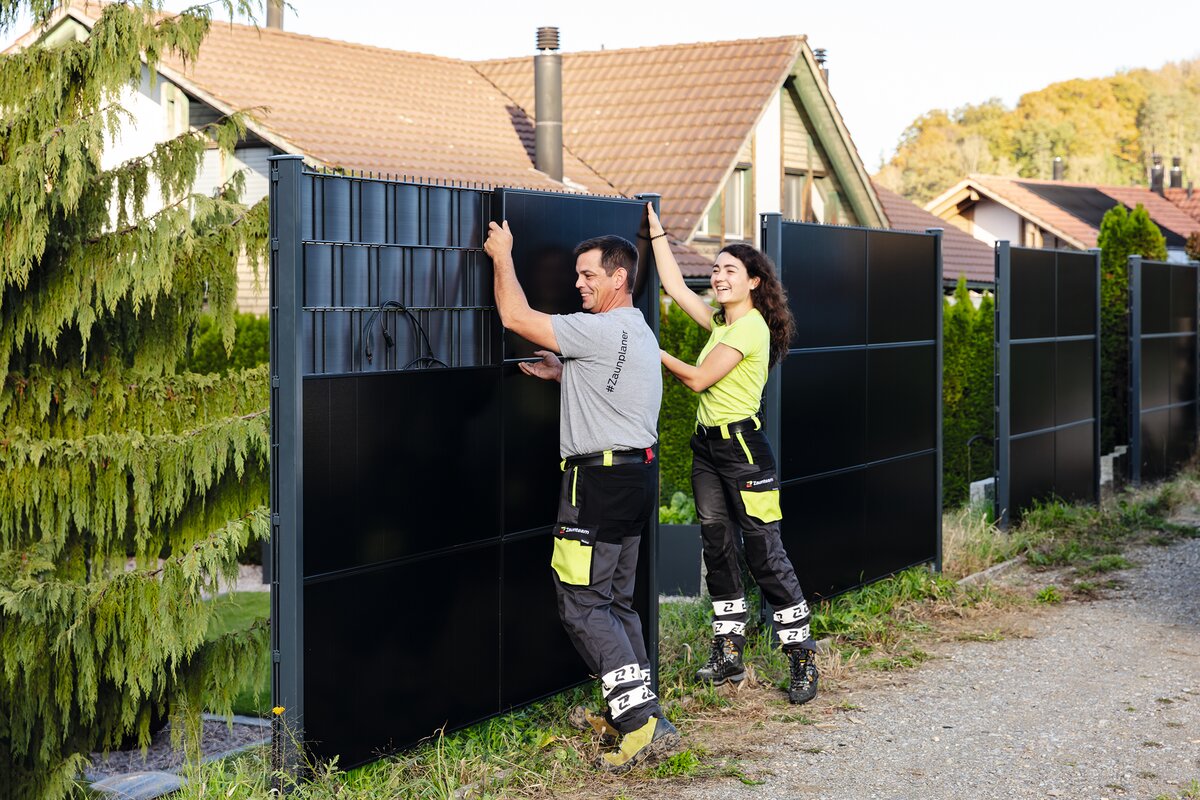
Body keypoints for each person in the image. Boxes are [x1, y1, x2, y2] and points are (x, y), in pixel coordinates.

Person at [483, 220, 680, 773]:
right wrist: (565, 375)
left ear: (619, 278)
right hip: (634, 479)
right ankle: (643, 714)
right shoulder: (639, 331)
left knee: (581, 603)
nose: (578, 284)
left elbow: (515, 317)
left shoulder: (597, 330)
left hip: (593, 485)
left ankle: (638, 723)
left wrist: (502, 255)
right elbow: (613, 386)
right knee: (616, 601)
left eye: (588, 275)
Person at [646, 203, 819, 705]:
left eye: (730, 271)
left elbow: (699, 379)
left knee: (764, 552)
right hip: (707, 446)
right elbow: (676, 287)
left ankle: (802, 655)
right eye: (716, 269)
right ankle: (728, 652)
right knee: (717, 547)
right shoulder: (723, 324)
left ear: (754, 282)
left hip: (743, 449)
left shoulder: (750, 328)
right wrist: (656, 232)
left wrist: (646, 347)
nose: (719, 277)